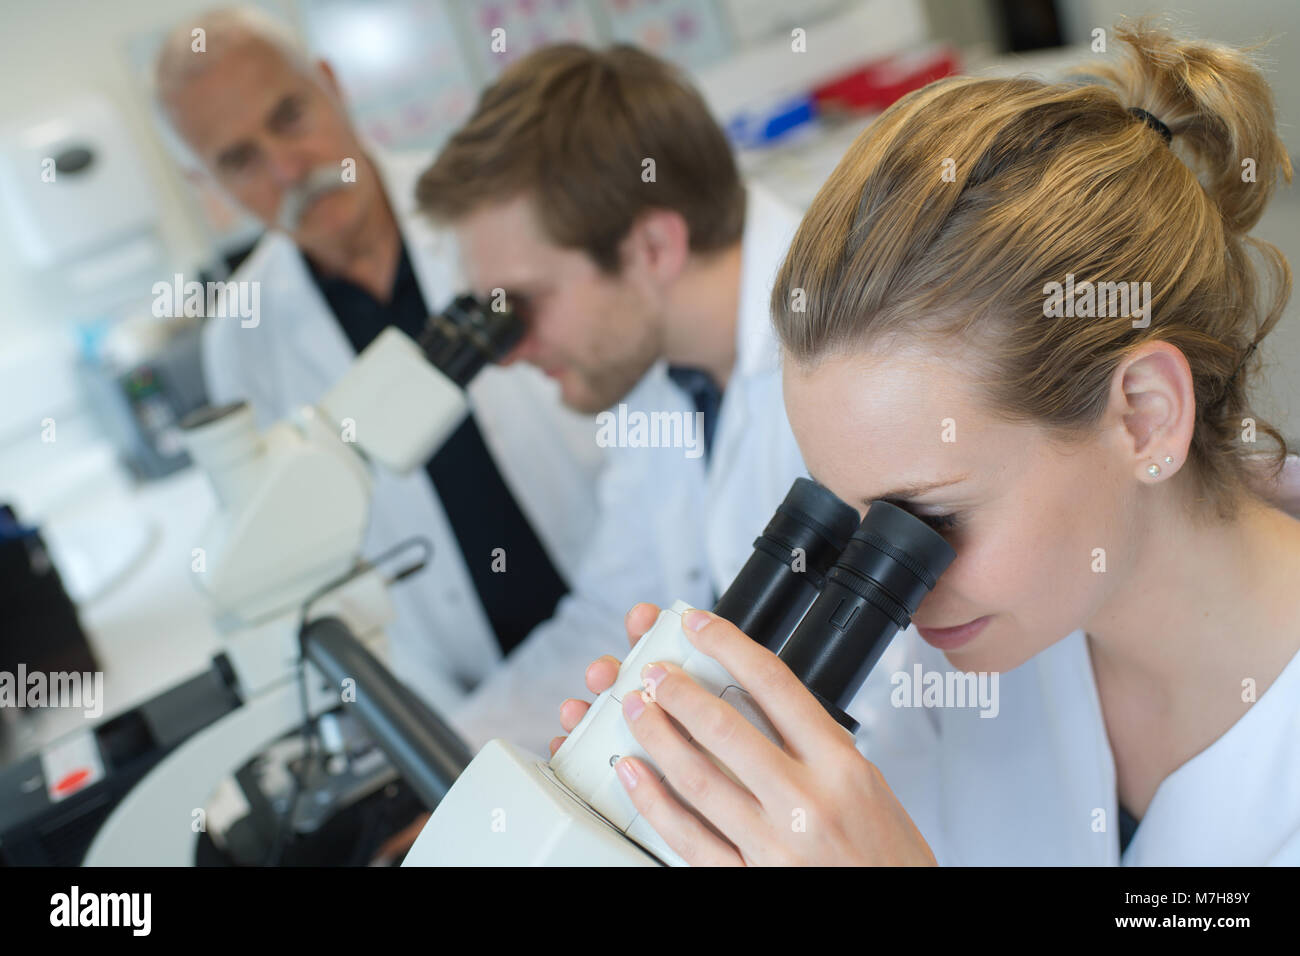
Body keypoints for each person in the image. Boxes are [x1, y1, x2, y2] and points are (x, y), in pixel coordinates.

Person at [554, 21, 1300, 865]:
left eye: (930, 516)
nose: (898, 591)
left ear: (1145, 414)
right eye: (861, 524)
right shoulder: (969, 662)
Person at [153, 9, 605, 713]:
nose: (286, 168)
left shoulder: (493, 205)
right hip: (471, 687)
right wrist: (440, 735)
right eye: (239, 160)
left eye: (290, 116)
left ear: (330, 83)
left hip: (629, 588)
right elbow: (304, 567)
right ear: (206, 180)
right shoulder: (241, 336)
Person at [416, 44, 808, 752]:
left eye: (522, 305)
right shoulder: (659, 378)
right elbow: (611, 609)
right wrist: (441, 763)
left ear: (653, 247)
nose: (508, 352)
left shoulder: (852, 358)